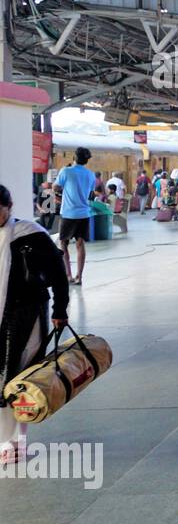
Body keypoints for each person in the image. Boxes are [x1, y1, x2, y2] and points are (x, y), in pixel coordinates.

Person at [0, 184, 70, 465]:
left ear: (10, 206)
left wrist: (60, 309)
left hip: (25, 316)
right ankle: (8, 441)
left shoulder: (30, 235)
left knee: (17, 378)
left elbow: (58, 273)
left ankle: (15, 441)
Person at [53, 147, 96, 285]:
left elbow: (55, 187)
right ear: (86, 160)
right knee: (80, 244)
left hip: (68, 213)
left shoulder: (66, 171)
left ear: (74, 157)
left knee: (63, 243)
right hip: (84, 213)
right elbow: (90, 193)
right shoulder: (90, 175)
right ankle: (79, 277)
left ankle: (68, 275)